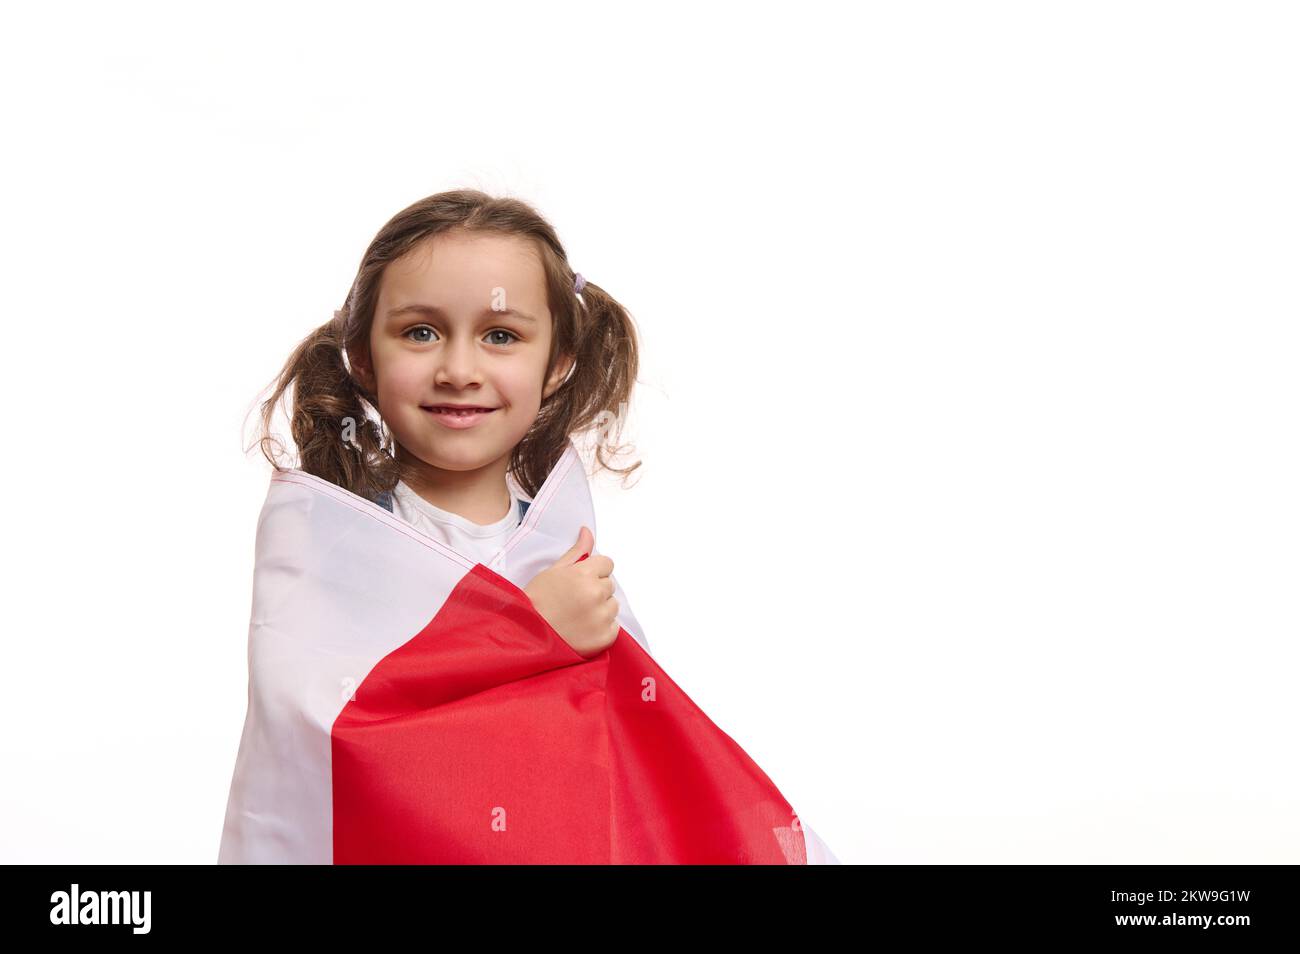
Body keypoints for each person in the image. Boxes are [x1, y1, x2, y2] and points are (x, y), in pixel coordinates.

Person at [251, 189, 641, 658]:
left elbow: (623, 723)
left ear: (557, 364)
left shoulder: (569, 559)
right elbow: (338, 714)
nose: (458, 372)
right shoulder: (325, 540)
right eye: (421, 332)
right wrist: (526, 634)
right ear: (363, 357)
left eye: (501, 336)